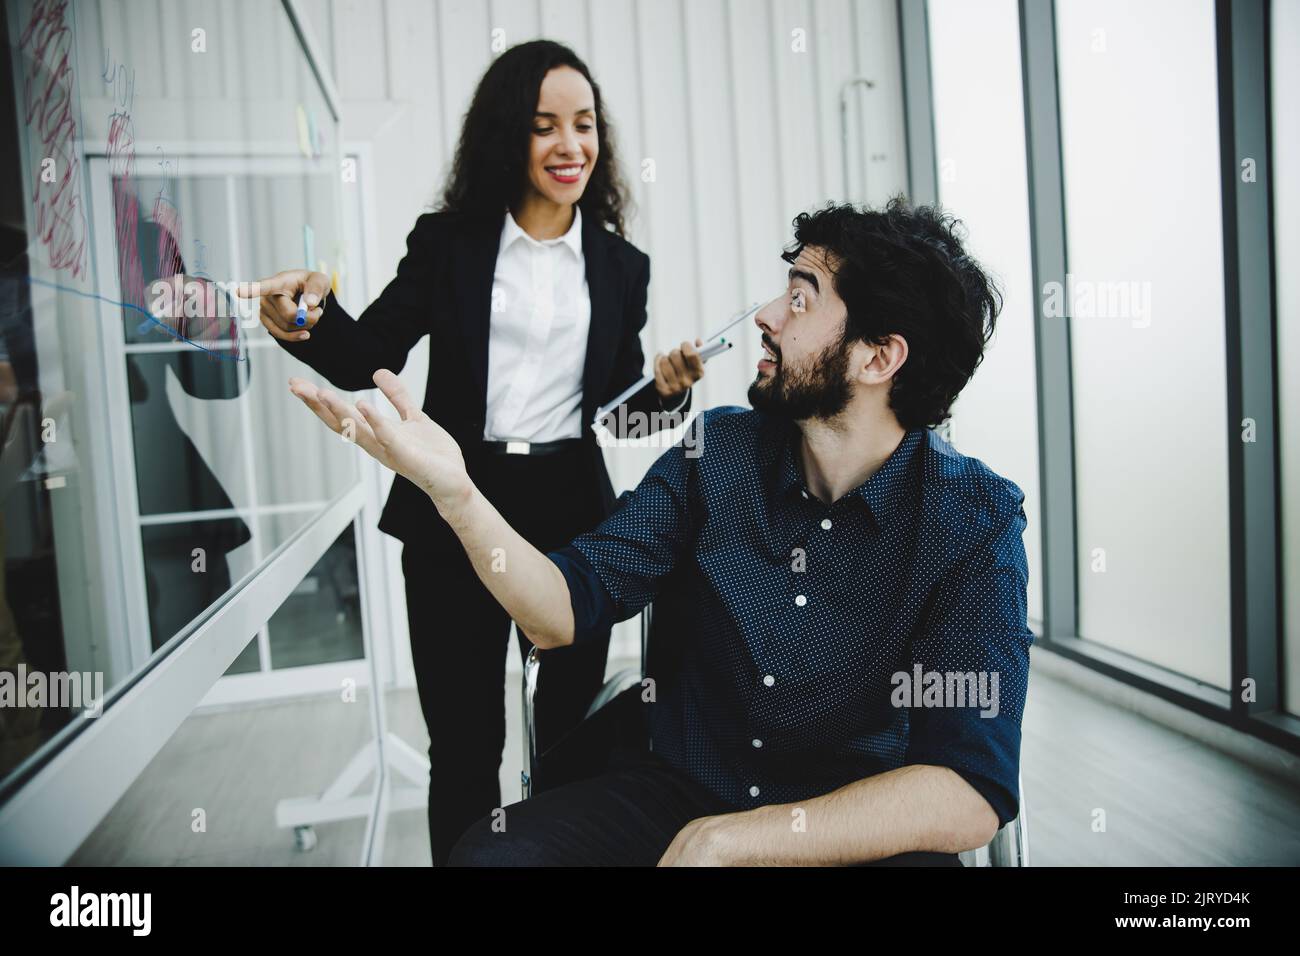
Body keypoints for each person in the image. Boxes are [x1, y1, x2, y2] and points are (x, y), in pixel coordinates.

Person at [288, 198, 1033, 866]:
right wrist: (453, 490)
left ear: (879, 357)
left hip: (844, 823)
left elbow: (969, 790)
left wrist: (735, 841)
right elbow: (558, 611)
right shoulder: (717, 453)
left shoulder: (972, 523)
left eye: (800, 301)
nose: (766, 317)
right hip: (677, 791)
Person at [241, 40, 703, 865]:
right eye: (544, 126)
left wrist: (666, 392)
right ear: (506, 137)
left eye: (585, 125)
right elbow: (368, 352)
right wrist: (305, 319)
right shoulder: (450, 243)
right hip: (454, 502)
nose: (572, 146)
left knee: (567, 742)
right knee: (464, 746)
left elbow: (618, 417)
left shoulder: (621, 266)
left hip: (571, 511)